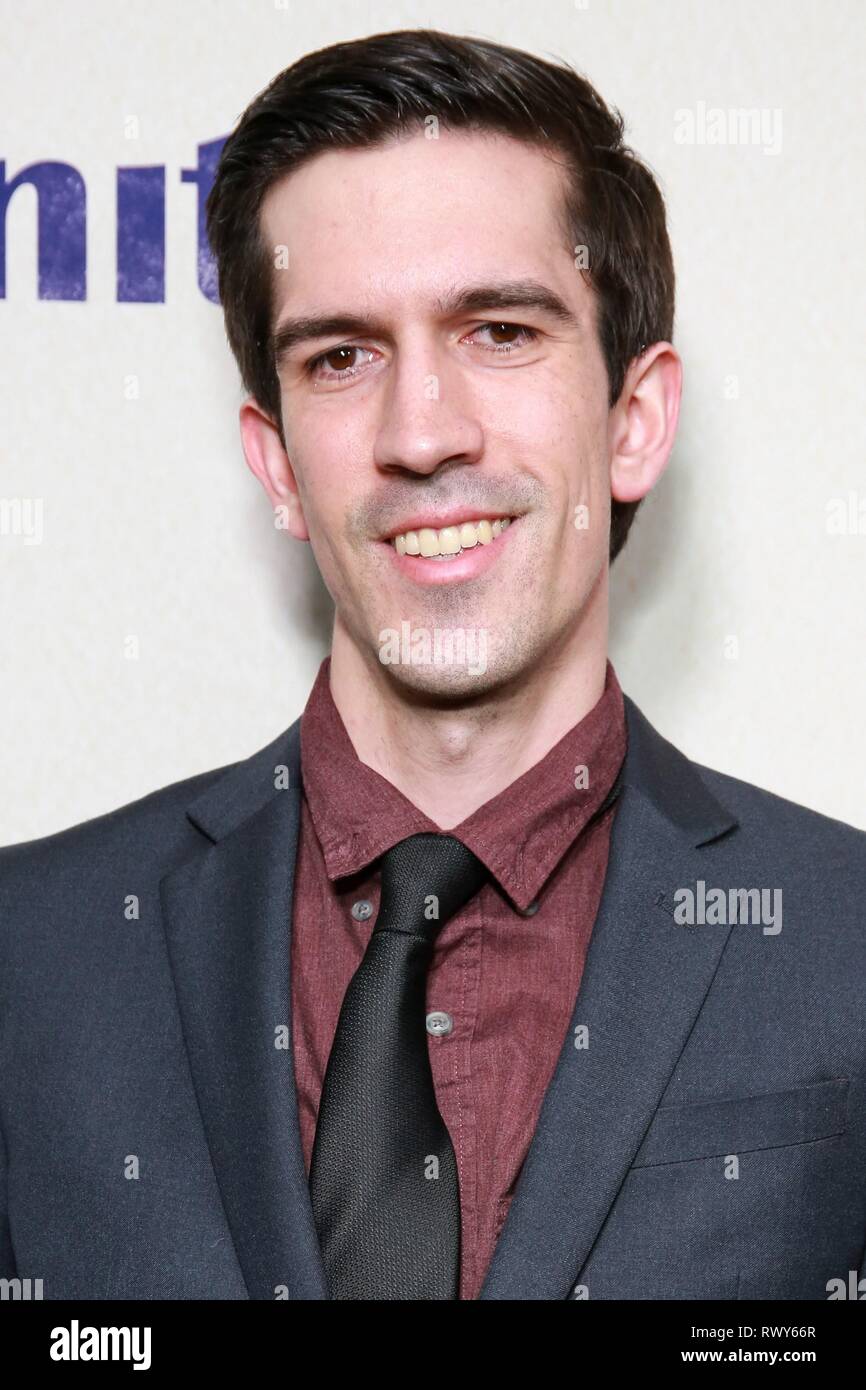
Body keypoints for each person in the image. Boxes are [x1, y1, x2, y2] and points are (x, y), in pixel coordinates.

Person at [1, 28, 864, 1303]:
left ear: (632, 423)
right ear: (277, 464)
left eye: (499, 331)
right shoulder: (29, 955)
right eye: (340, 356)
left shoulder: (842, 937)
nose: (420, 433)